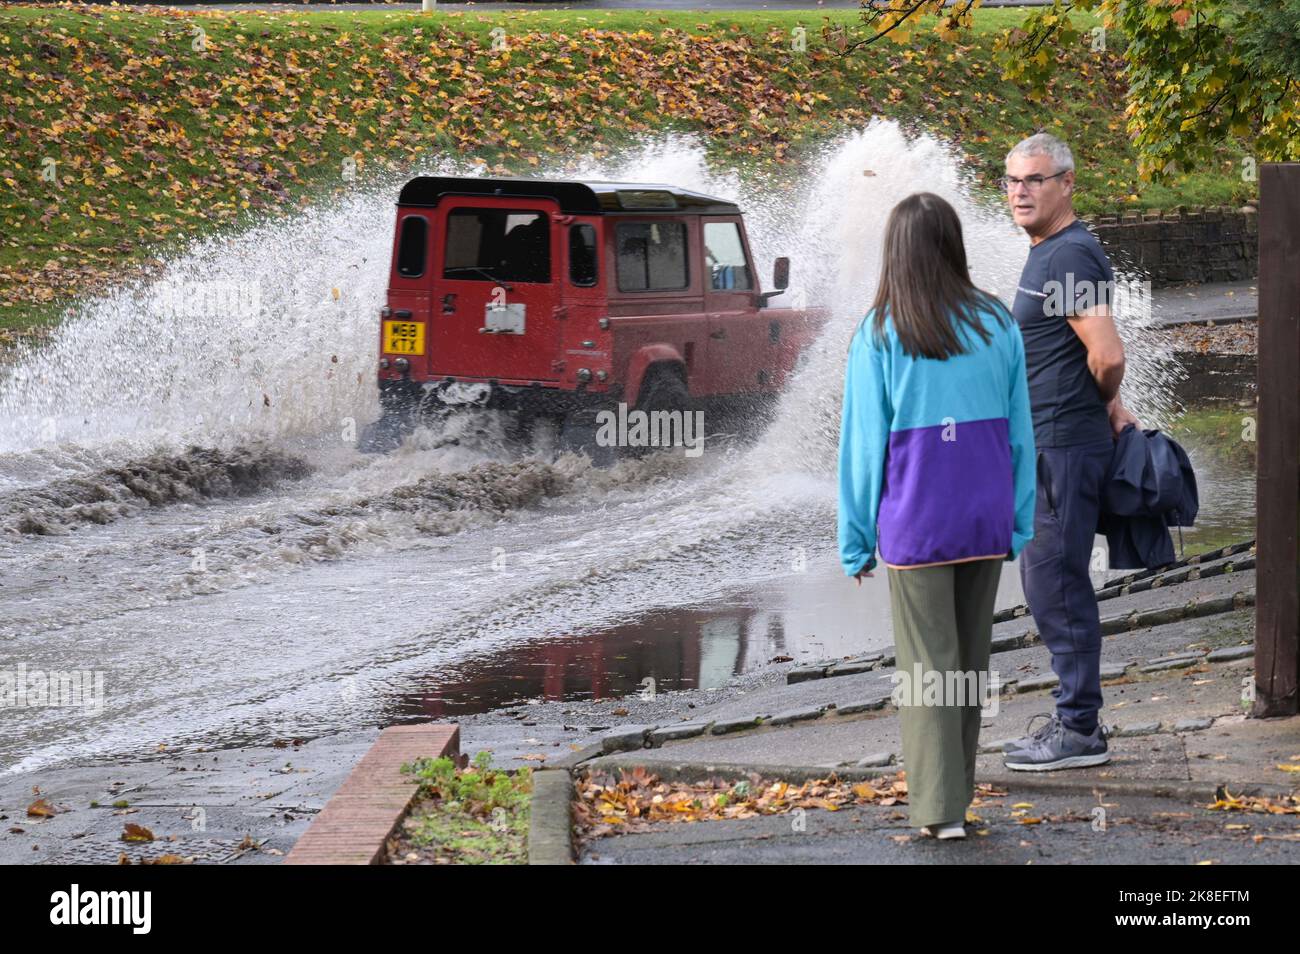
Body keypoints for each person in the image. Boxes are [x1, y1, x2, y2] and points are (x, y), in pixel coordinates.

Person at [838, 192, 1036, 839]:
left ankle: (939, 809)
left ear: (895, 253)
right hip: (984, 519)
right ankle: (957, 795)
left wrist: (855, 541)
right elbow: (1019, 435)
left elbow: (864, 448)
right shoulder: (997, 324)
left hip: (917, 522)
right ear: (954, 245)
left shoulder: (879, 334)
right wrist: (1019, 521)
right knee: (970, 661)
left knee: (929, 668)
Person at [999, 132, 1140, 772]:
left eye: (1035, 179)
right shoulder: (1052, 251)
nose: (1021, 190)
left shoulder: (1069, 256)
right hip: (1053, 441)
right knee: (1051, 581)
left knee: (1056, 585)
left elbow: (1106, 353)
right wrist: (1108, 405)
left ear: (1067, 184)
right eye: (1012, 180)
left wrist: (1101, 400)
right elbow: (1082, 353)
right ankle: (1075, 721)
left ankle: (1079, 729)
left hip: (1060, 445)